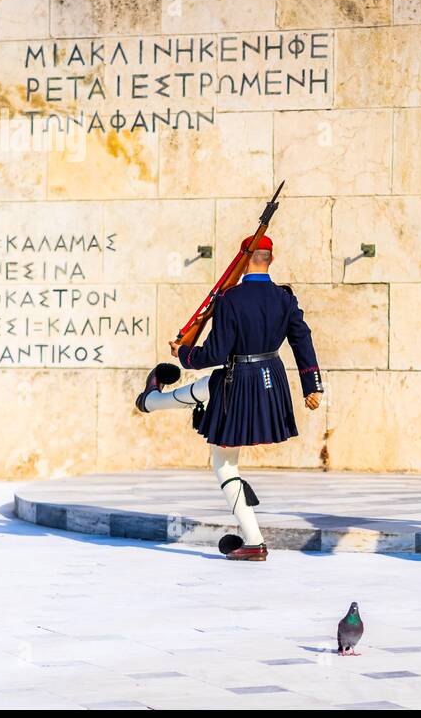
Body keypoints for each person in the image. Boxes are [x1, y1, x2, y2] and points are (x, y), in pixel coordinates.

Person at [136, 234, 323, 561]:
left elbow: (215, 353)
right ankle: (151, 400)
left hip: (237, 384)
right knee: (204, 390)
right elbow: (301, 340)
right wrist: (312, 385)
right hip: (270, 383)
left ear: (242, 259)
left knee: (224, 463)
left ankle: (253, 541)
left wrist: (184, 354)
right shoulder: (284, 298)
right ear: (271, 260)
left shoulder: (230, 299)